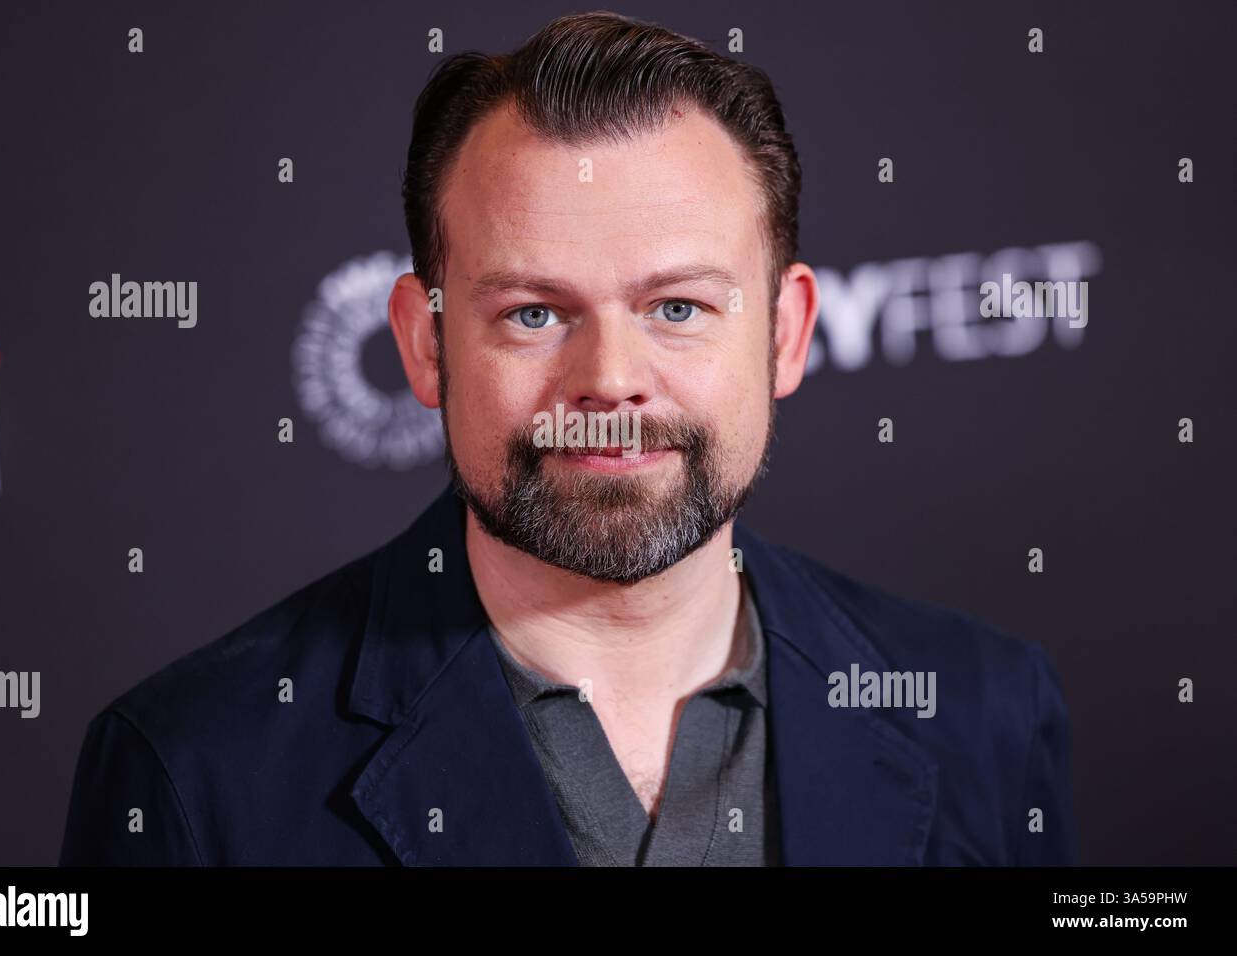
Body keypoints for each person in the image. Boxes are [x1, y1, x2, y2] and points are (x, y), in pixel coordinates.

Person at [59, 11, 1073, 866]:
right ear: (423, 343)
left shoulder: (983, 709)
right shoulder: (194, 772)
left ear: (785, 333)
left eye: (676, 306)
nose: (609, 380)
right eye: (535, 313)